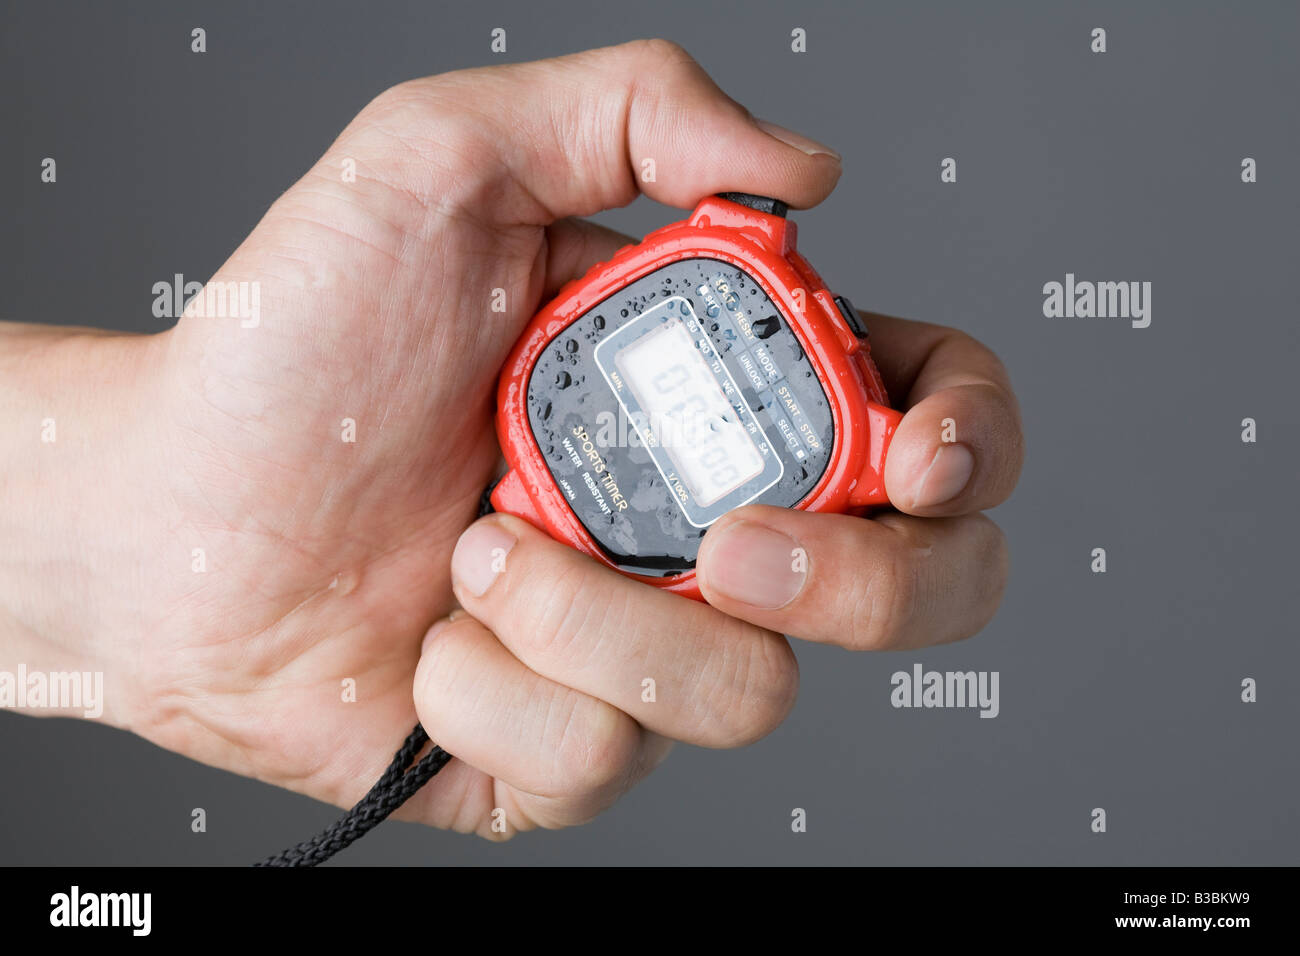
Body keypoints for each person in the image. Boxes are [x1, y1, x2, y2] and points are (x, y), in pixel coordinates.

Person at [1, 40, 1023, 839]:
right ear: (725, 225)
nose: (627, 442)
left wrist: (152, 581)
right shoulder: (806, 387)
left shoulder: (734, 253)